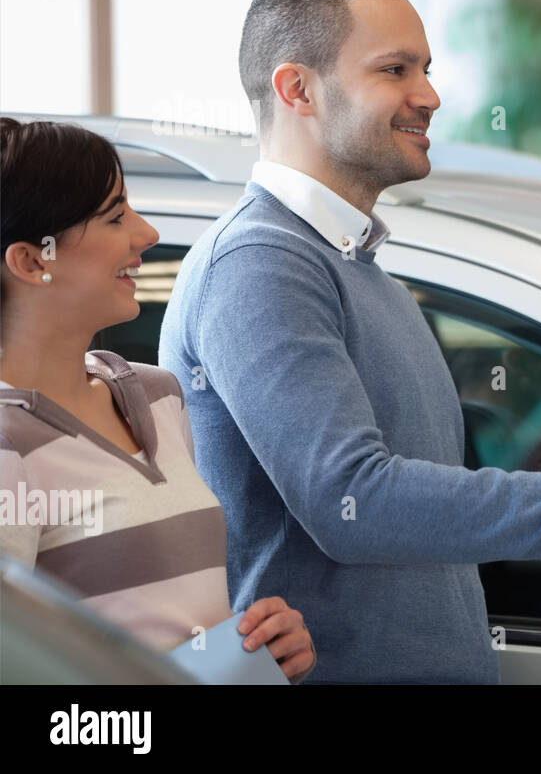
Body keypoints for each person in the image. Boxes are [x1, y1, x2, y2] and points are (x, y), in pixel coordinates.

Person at [157, 0, 541, 684]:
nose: (429, 96)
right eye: (395, 70)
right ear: (297, 89)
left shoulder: (352, 261)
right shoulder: (260, 265)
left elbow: (416, 500)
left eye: (426, 69)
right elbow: (357, 502)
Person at [0, 117, 316, 682]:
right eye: (116, 216)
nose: (145, 234)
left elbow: (168, 630)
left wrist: (252, 650)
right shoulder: (8, 443)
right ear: (30, 261)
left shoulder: (157, 394)